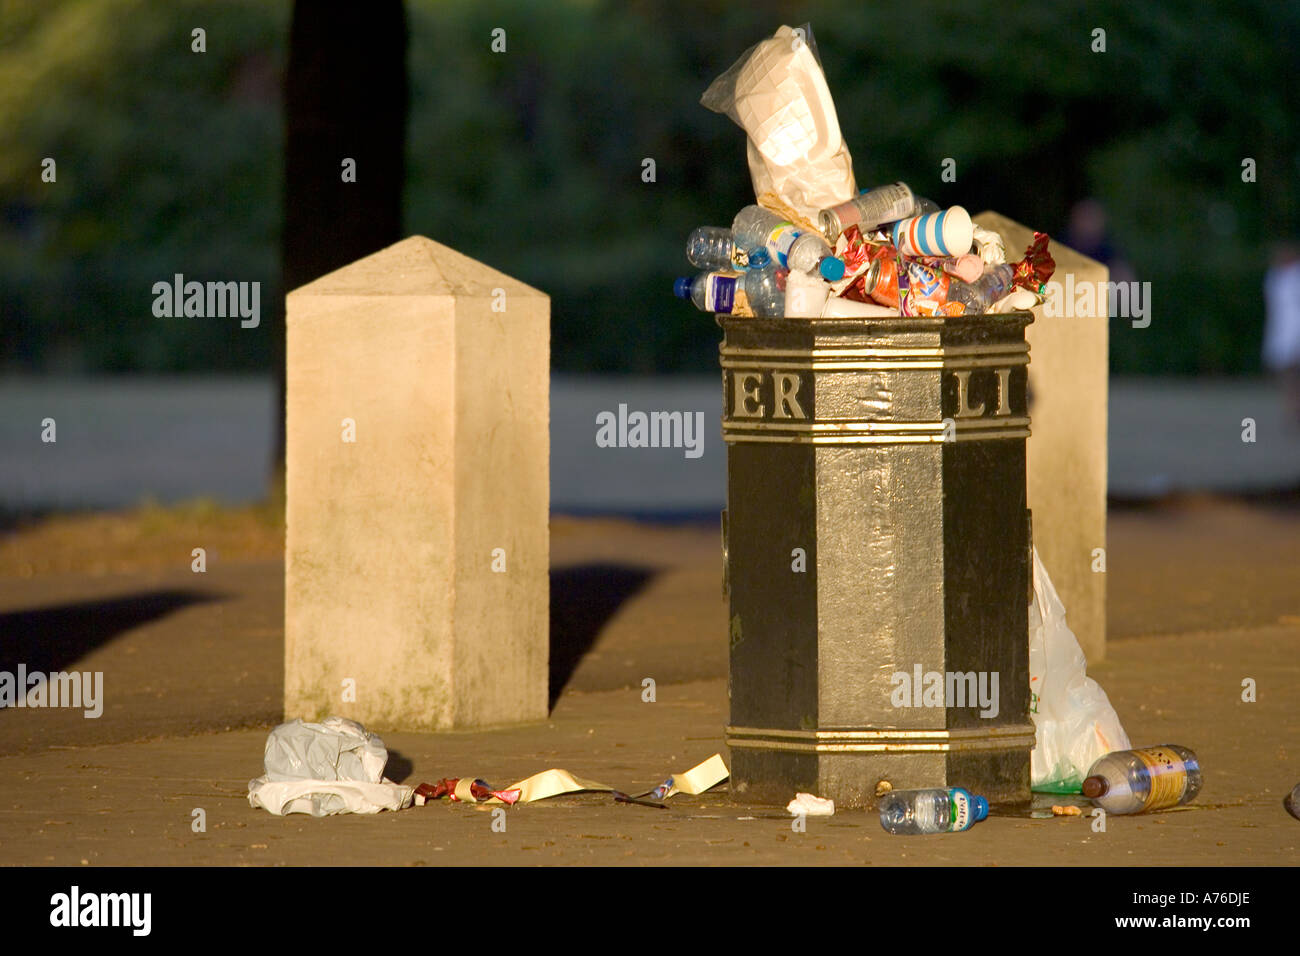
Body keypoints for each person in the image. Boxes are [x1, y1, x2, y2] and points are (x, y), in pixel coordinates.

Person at [1263, 242, 1300, 429]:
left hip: (1294, 330)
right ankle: (1292, 410)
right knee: (1287, 375)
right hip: (1283, 330)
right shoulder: (1275, 277)